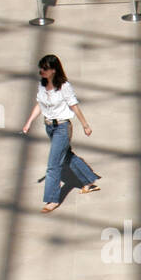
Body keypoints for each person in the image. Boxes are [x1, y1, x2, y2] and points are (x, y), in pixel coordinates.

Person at [20, 54, 100, 214]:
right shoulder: (42, 85)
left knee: (53, 165)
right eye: (40, 67)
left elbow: (74, 106)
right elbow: (39, 104)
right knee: (66, 156)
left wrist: (85, 125)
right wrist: (29, 122)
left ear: (54, 70)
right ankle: (89, 180)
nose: (41, 71)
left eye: (45, 68)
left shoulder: (64, 86)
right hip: (49, 126)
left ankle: (52, 199)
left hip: (62, 127)